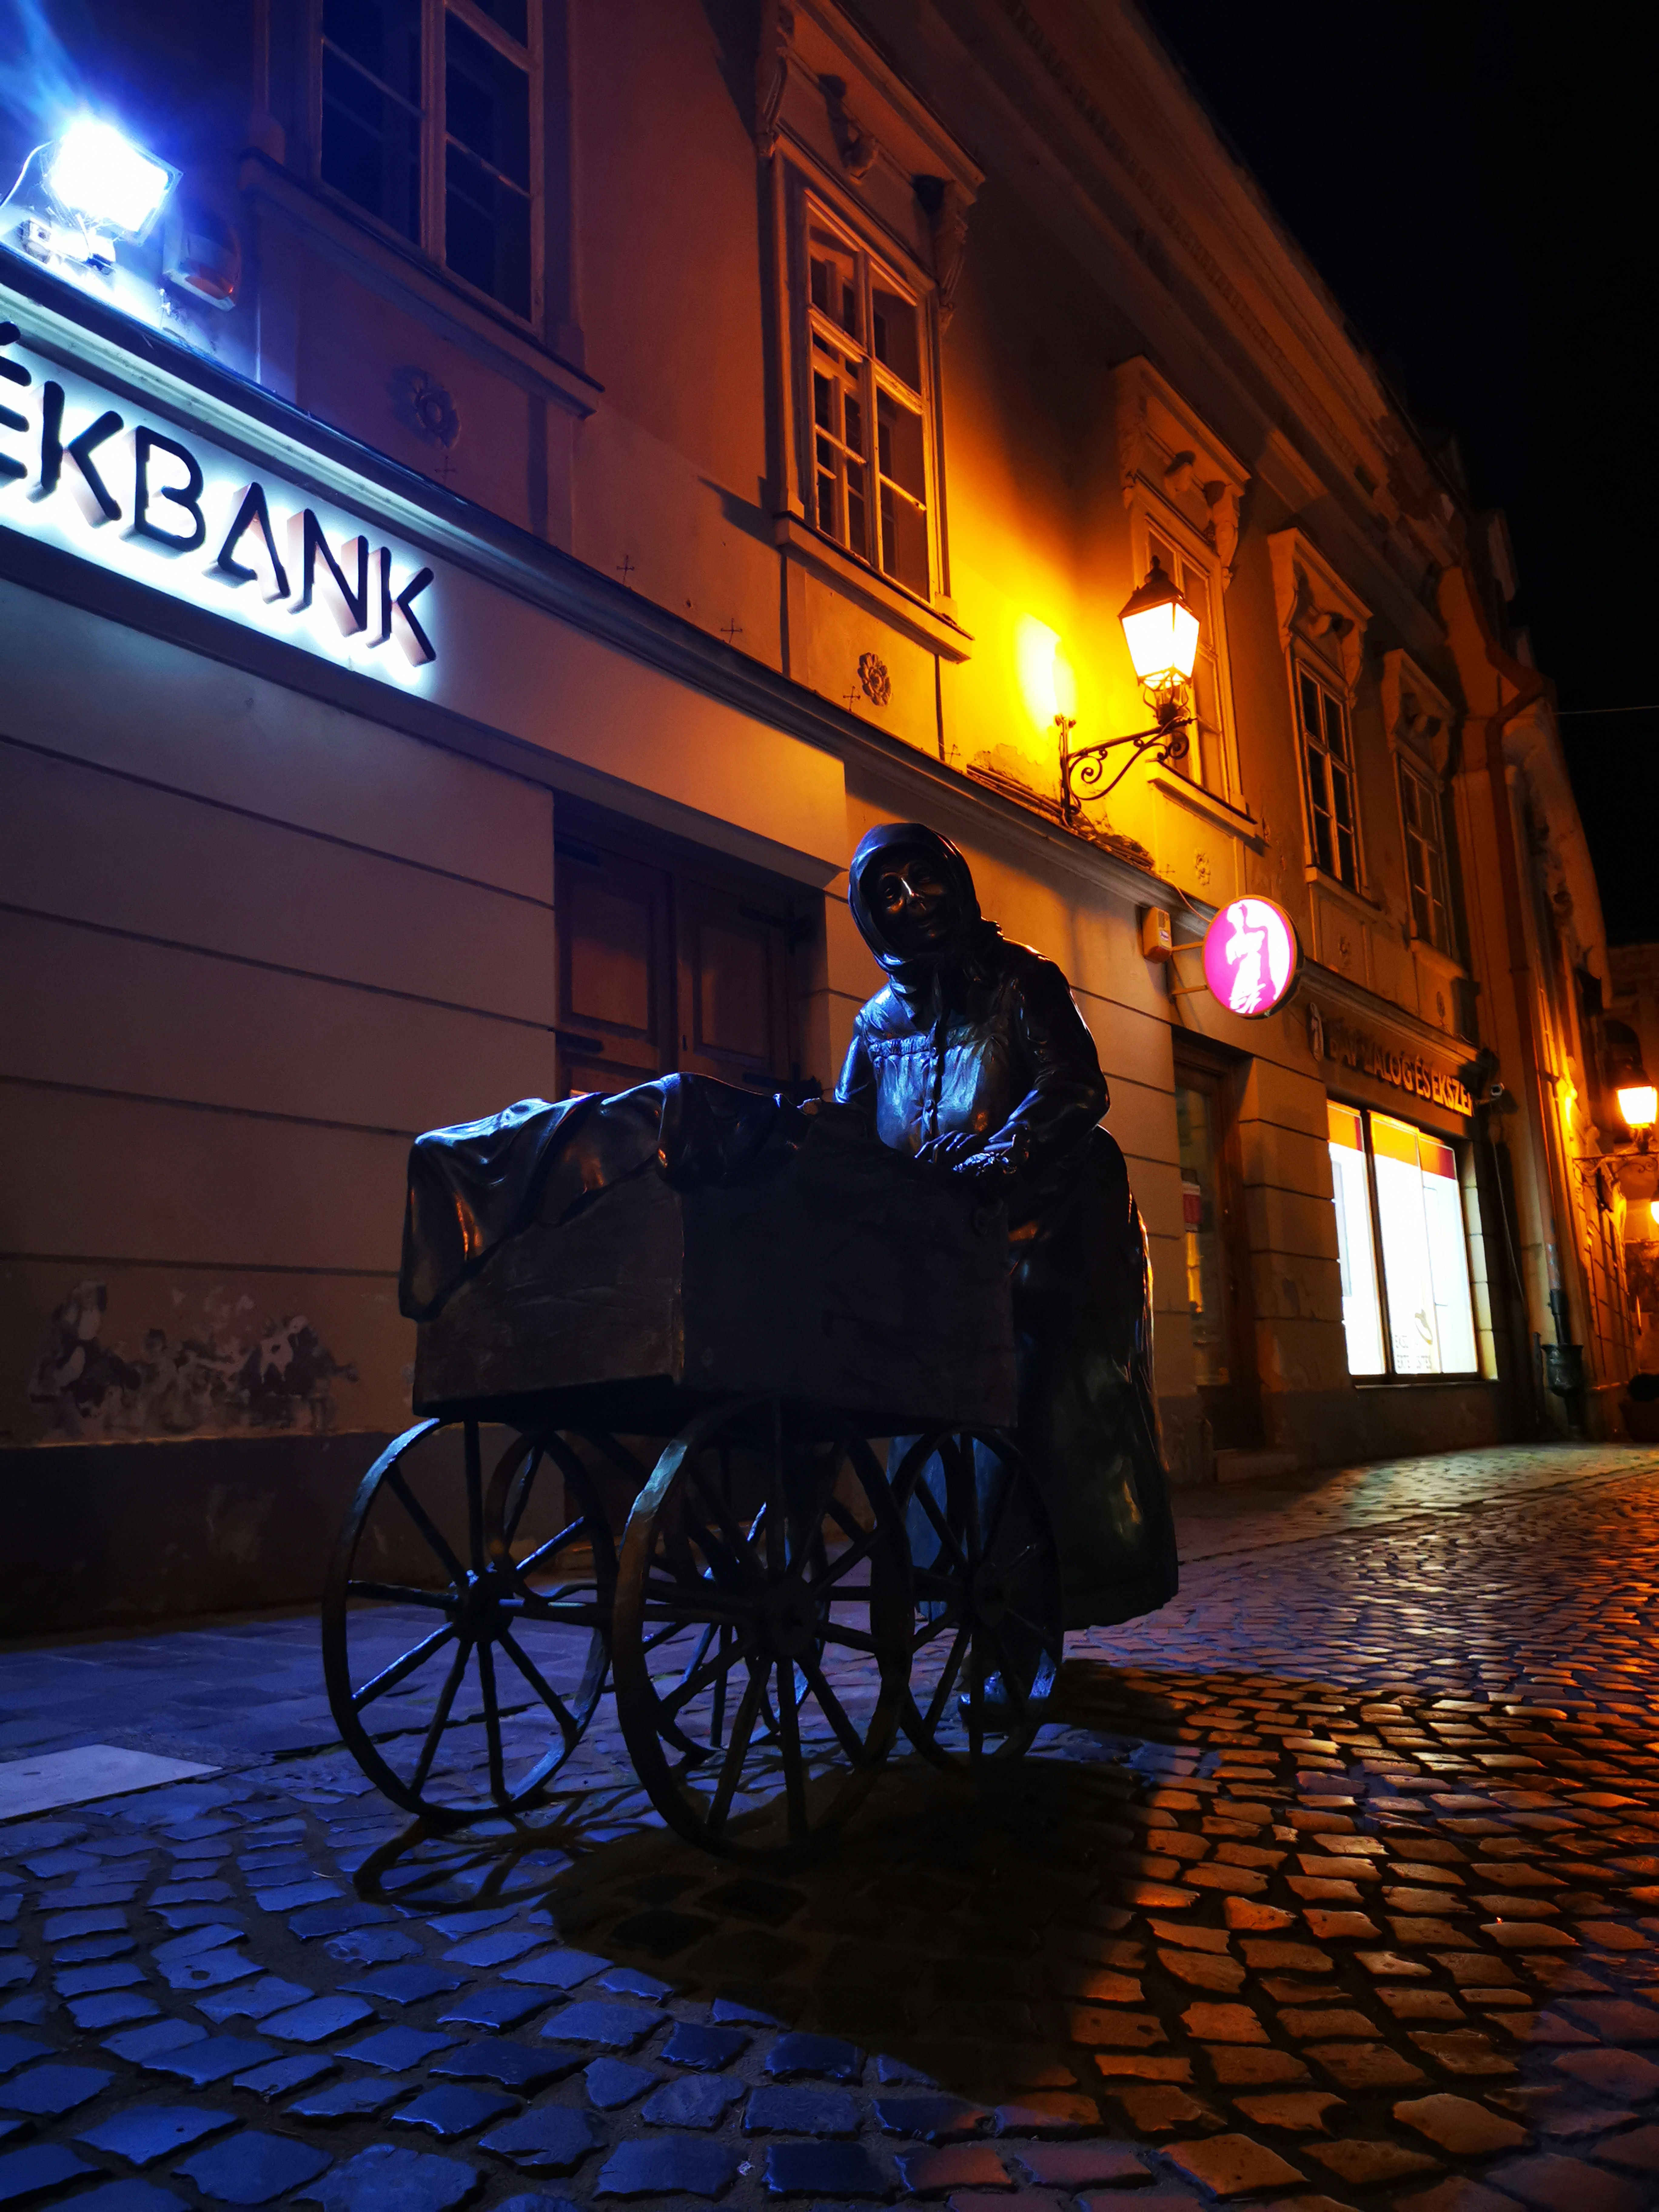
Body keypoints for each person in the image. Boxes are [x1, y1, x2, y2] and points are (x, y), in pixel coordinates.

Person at [835, 821, 1178, 1692]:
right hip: (938, 1236)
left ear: (957, 878)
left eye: (927, 879)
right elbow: (849, 1132)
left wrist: (1008, 1152)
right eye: (891, 894)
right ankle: (959, 1594)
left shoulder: (1022, 979)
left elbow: (1077, 1086)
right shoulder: (874, 1024)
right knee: (927, 1409)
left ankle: (1038, 1605)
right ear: (871, 917)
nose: (915, 903)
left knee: (1032, 1402)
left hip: (1053, 1221)